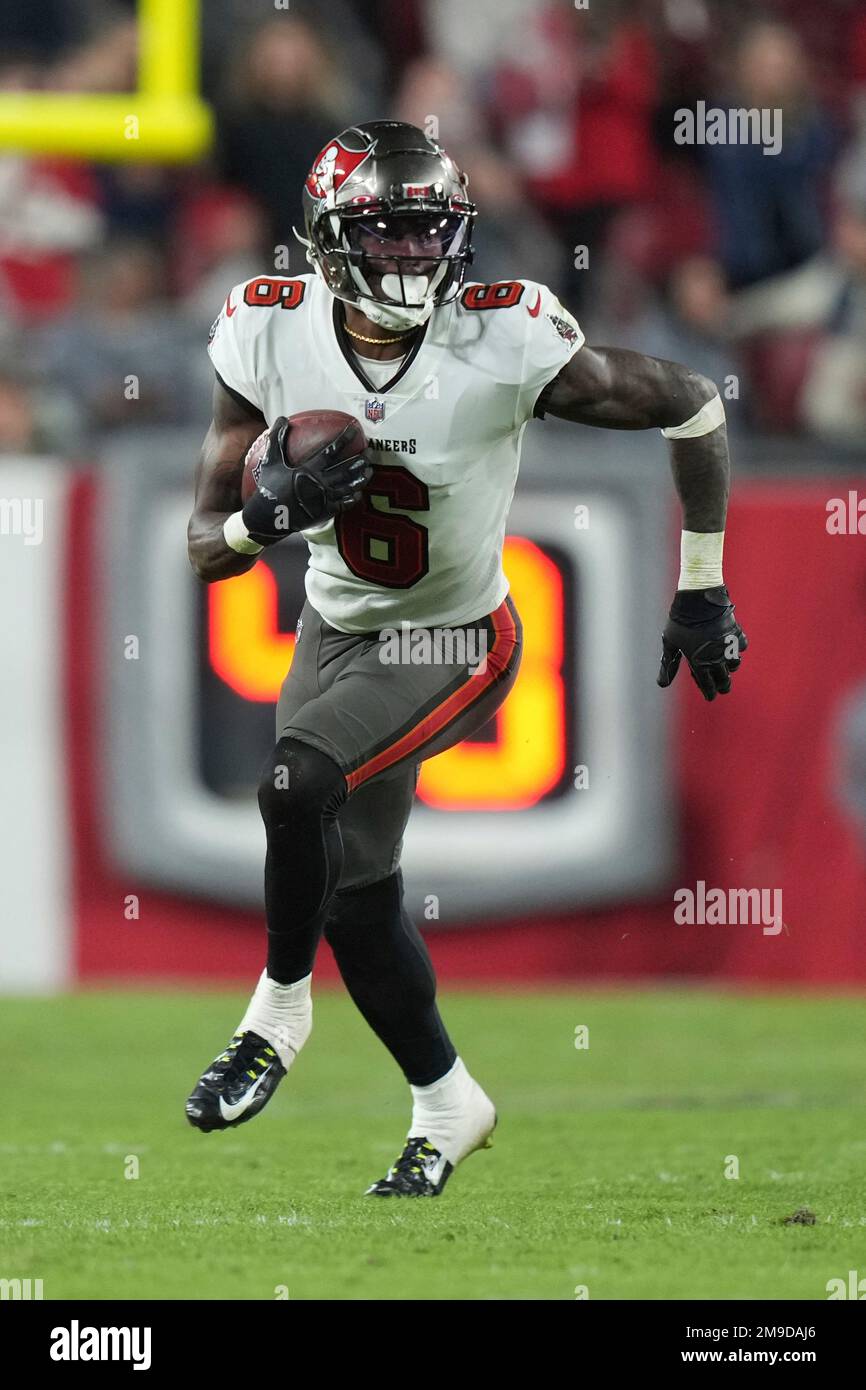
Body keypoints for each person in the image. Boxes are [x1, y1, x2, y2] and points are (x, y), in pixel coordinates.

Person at [185, 121, 747, 1197]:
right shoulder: (266, 329)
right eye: (388, 233)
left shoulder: (504, 335)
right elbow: (206, 549)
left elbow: (691, 403)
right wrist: (269, 518)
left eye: (427, 232)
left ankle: (276, 1013)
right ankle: (447, 1102)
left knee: (295, 782)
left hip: (456, 636)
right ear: (327, 239)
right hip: (336, 625)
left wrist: (702, 582)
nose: (412, 256)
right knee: (355, 897)